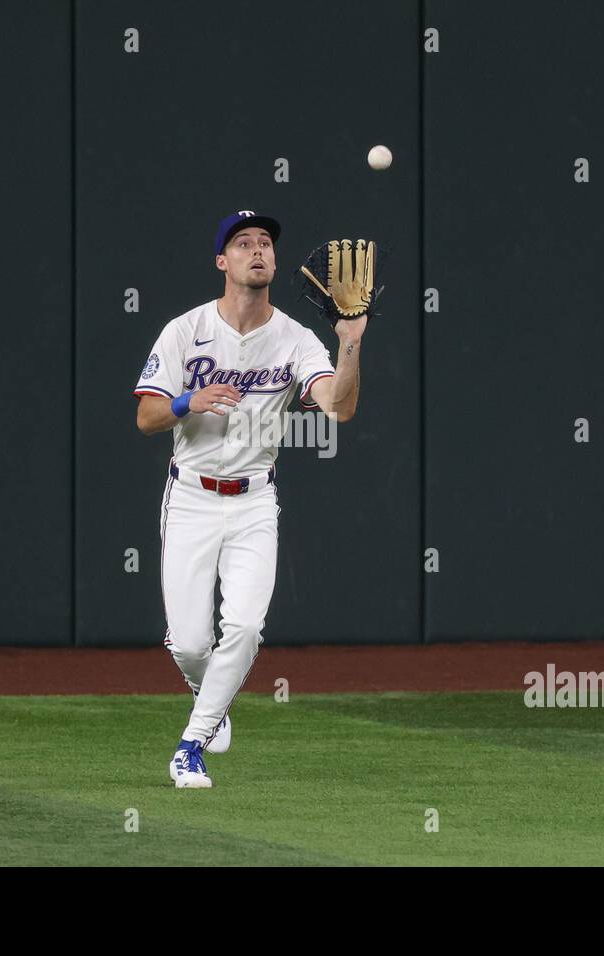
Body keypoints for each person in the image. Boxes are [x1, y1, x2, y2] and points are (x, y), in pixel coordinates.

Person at [133, 210, 368, 788]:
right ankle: (211, 694)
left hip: (255, 501)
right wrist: (189, 401)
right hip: (189, 496)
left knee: (243, 629)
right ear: (222, 261)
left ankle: (191, 745)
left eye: (265, 243)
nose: (258, 250)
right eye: (243, 244)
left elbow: (339, 408)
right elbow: (145, 417)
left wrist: (350, 346)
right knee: (190, 643)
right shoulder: (185, 331)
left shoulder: (294, 338)